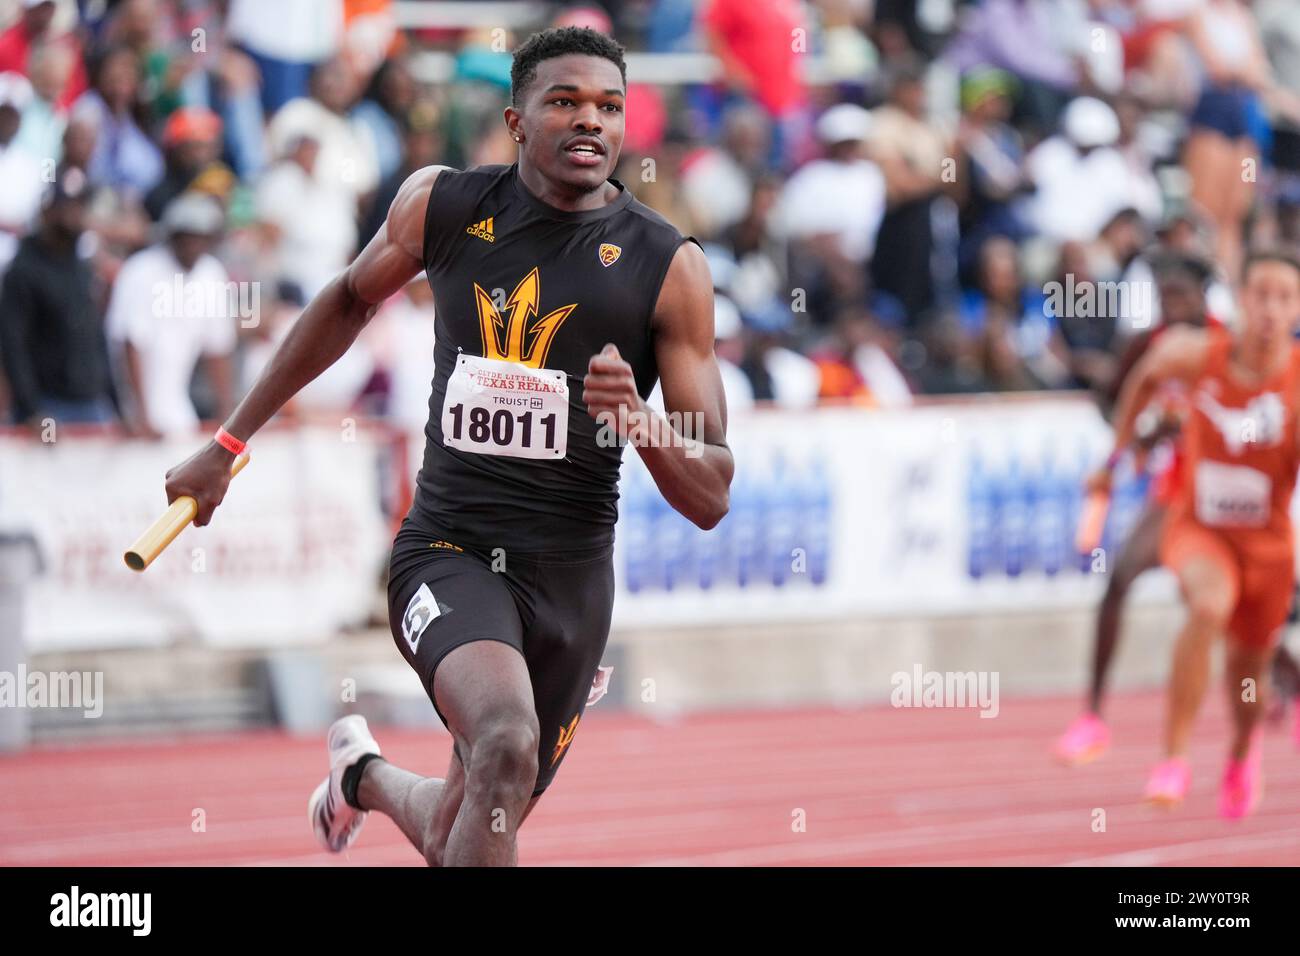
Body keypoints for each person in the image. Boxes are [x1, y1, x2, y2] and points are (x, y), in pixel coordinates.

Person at [159, 26, 733, 866]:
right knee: (503, 741)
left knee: (463, 820)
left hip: (571, 584)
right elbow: (348, 302)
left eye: (608, 107)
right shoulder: (448, 205)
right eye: (564, 102)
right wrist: (228, 441)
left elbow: (713, 492)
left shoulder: (666, 266)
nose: (590, 123)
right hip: (448, 551)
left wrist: (641, 424)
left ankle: (362, 775)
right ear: (515, 118)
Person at [1094, 250, 1300, 818]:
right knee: (1208, 605)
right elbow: (1146, 374)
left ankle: (1240, 754)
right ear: (1239, 301)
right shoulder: (1198, 355)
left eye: (1284, 298)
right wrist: (1116, 454)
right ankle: (1174, 758)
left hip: (1268, 545)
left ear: (1297, 309)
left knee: (1248, 675)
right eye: (1260, 295)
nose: (1269, 310)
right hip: (1200, 528)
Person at [1055, 253, 1218, 764]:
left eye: (1182, 297)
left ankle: (1283, 684)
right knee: (1120, 577)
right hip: (1174, 490)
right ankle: (1093, 716)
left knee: (1227, 613)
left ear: (1203, 298)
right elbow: (1117, 400)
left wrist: (1189, 424)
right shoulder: (1148, 346)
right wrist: (1130, 444)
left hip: (1224, 491)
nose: (1172, 307)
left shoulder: (1227, 345)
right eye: (1165, 297)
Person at [106, 192, 236, 438]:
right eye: (186, 237)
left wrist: (227, 417)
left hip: (177, 407)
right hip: (131, 410)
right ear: (172, 236)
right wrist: (141, 416)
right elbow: (130, 345)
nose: (193, 246)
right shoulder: (140, 271)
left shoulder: (211, 274)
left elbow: (218, 349)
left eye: (200, 238)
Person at [0, 166, 115, 427]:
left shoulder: (82, 267)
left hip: (92, 403)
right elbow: (13, 345)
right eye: (68, 206)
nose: (76, 215)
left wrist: (114, 401)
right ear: (47, 210)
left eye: (80, 206)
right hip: (49, 407)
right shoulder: (23, 270)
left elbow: (97, 337)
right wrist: (31, 410)